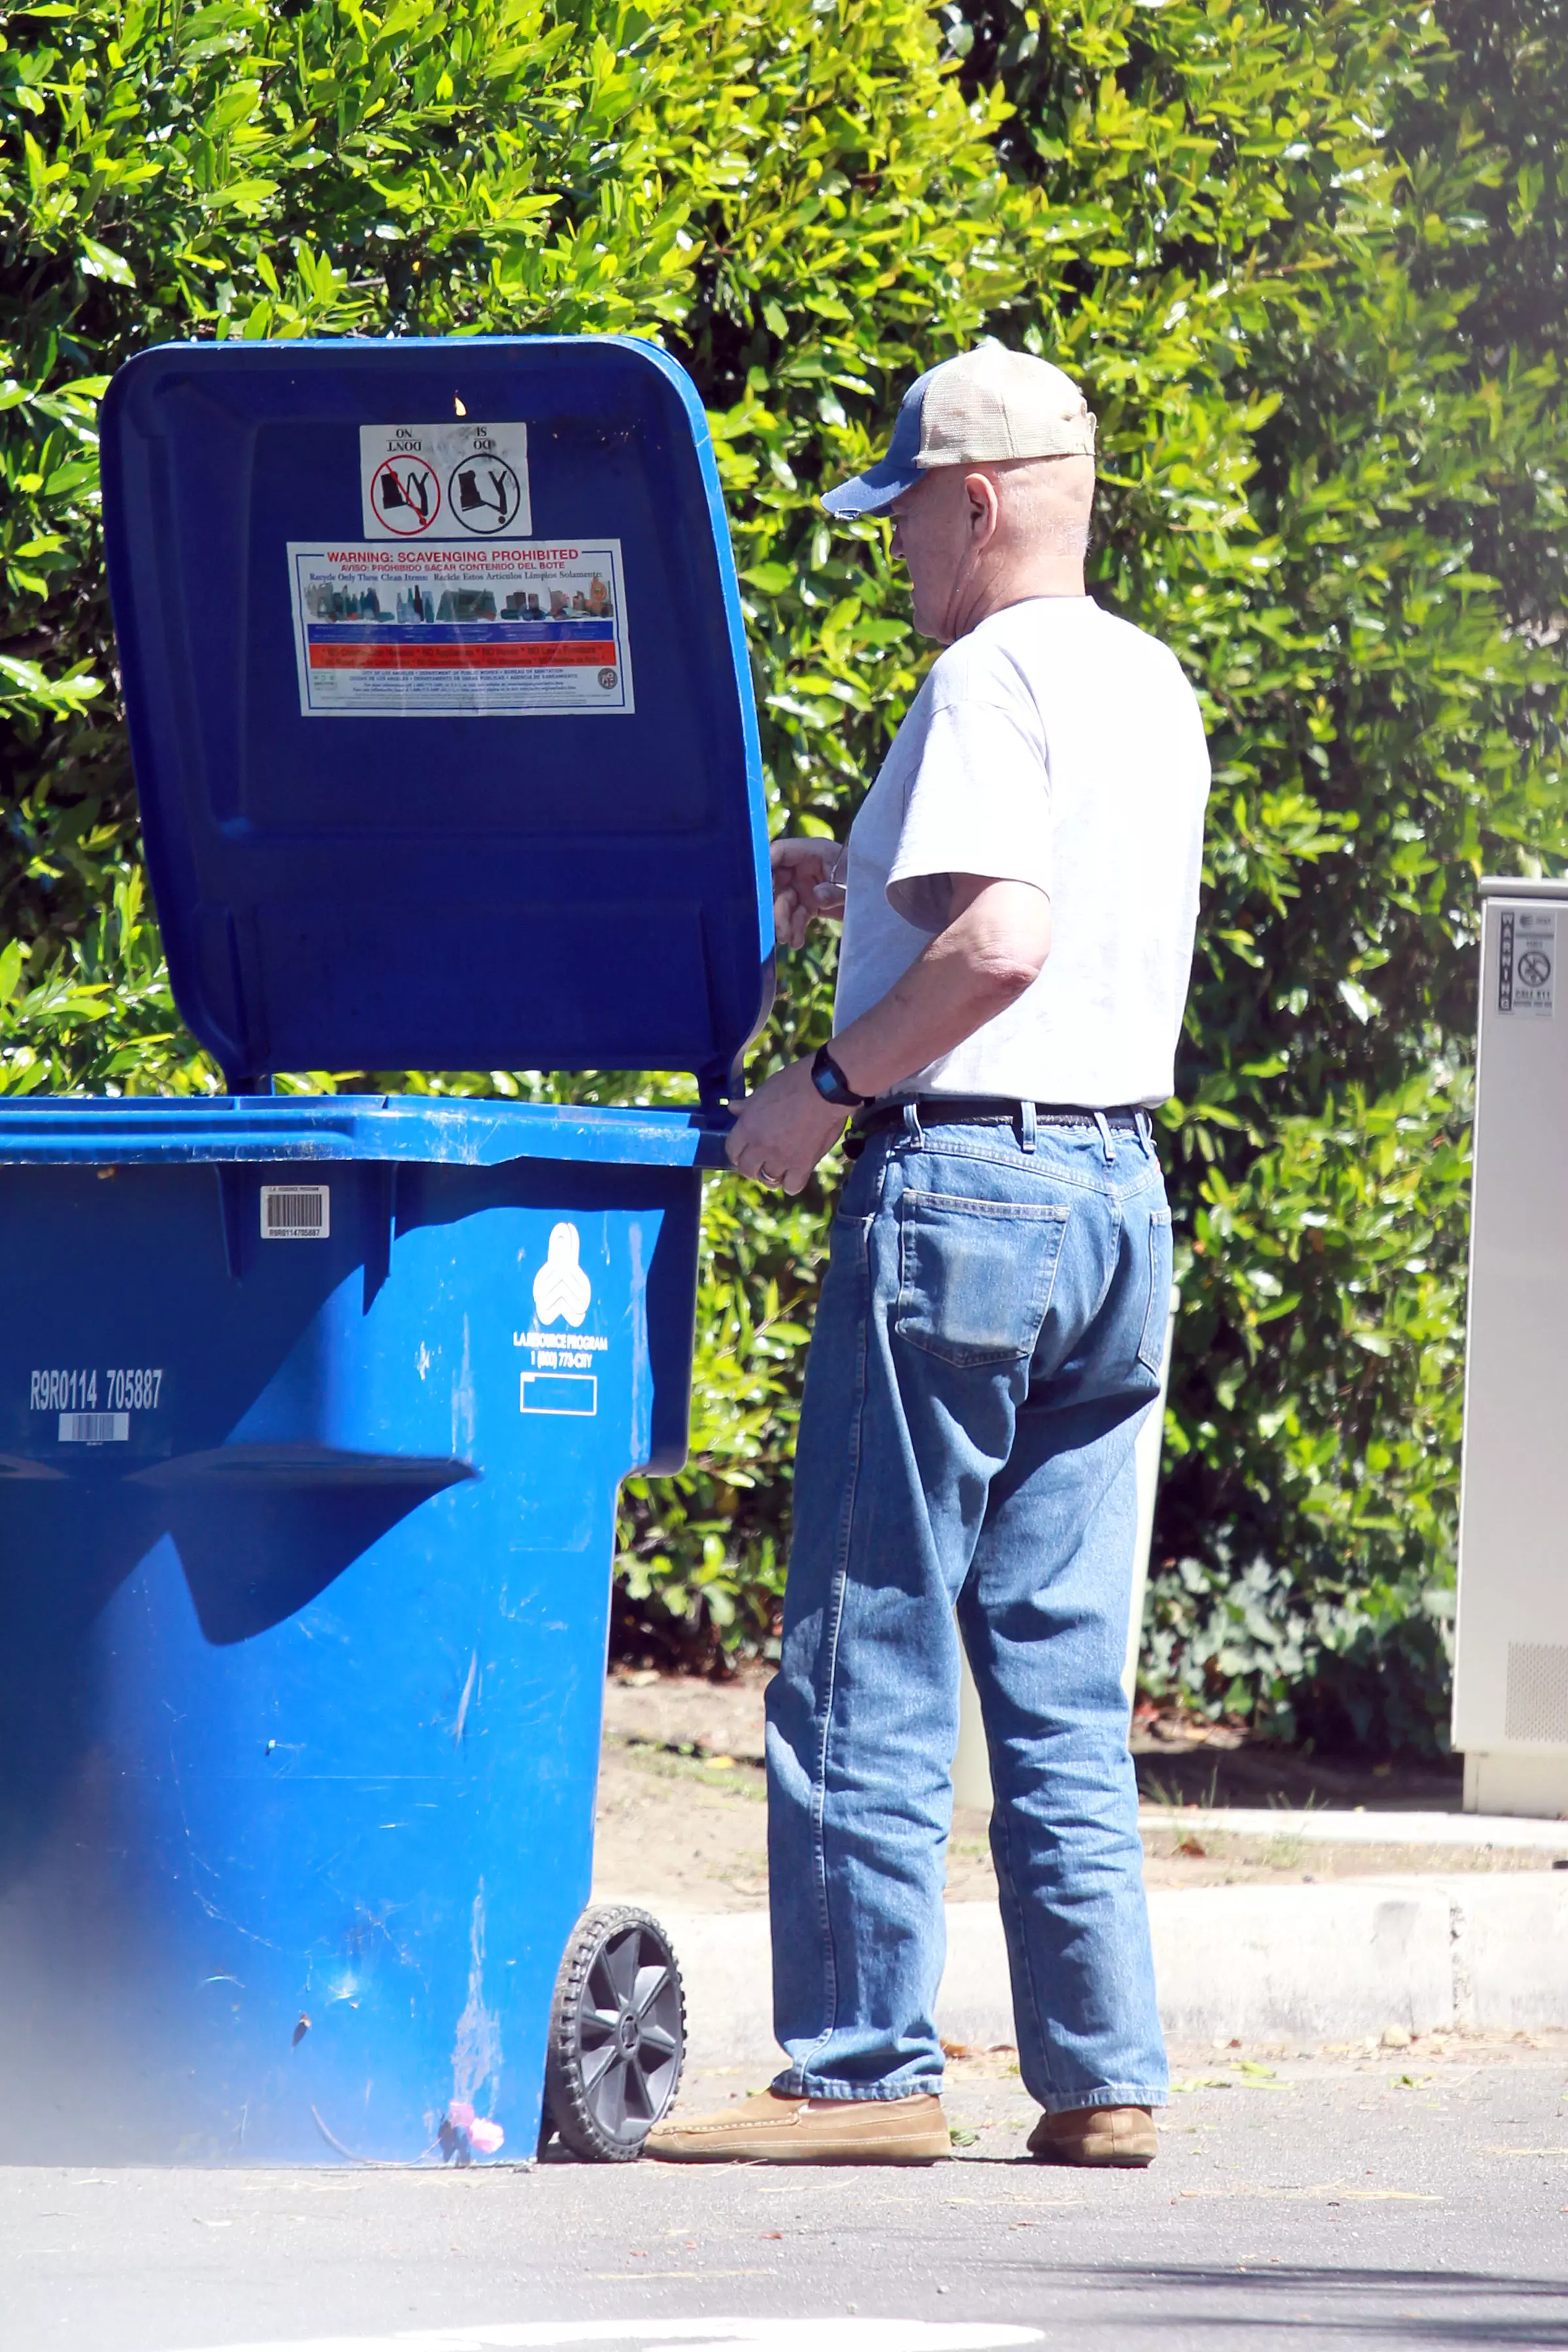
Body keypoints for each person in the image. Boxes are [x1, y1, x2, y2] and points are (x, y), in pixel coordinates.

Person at [646, 344, 1210, 2168]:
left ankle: (861, 2075)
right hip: (1120, 1201)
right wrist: (849, 869)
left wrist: (823, 1085)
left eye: (904, 519)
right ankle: (1104, 2071)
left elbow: (999, 942)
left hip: (966, 1191)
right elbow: (1032, 908)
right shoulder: (1149, 681)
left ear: (976, 501)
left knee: (863, 1646)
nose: (897, 556)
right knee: (1057, 1657)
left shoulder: (988, 672)